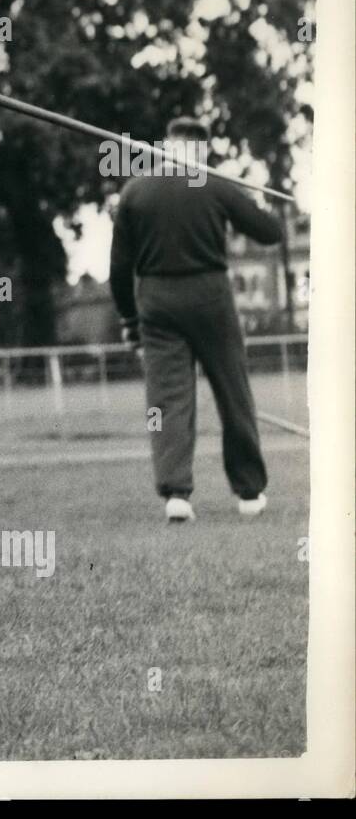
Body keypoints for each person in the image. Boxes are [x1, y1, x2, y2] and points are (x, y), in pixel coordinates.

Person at [109, 117, 284, 523]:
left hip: (156, 301)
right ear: (201, 149)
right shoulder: (215, 184)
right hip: (210, 298)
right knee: (233, 392)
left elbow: (119, 270)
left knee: (168, 400)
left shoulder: (134, 191)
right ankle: (249, 492)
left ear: (167, 146)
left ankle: (176, 495)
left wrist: (129, 318)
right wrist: (261, 197)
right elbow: (270, 232)